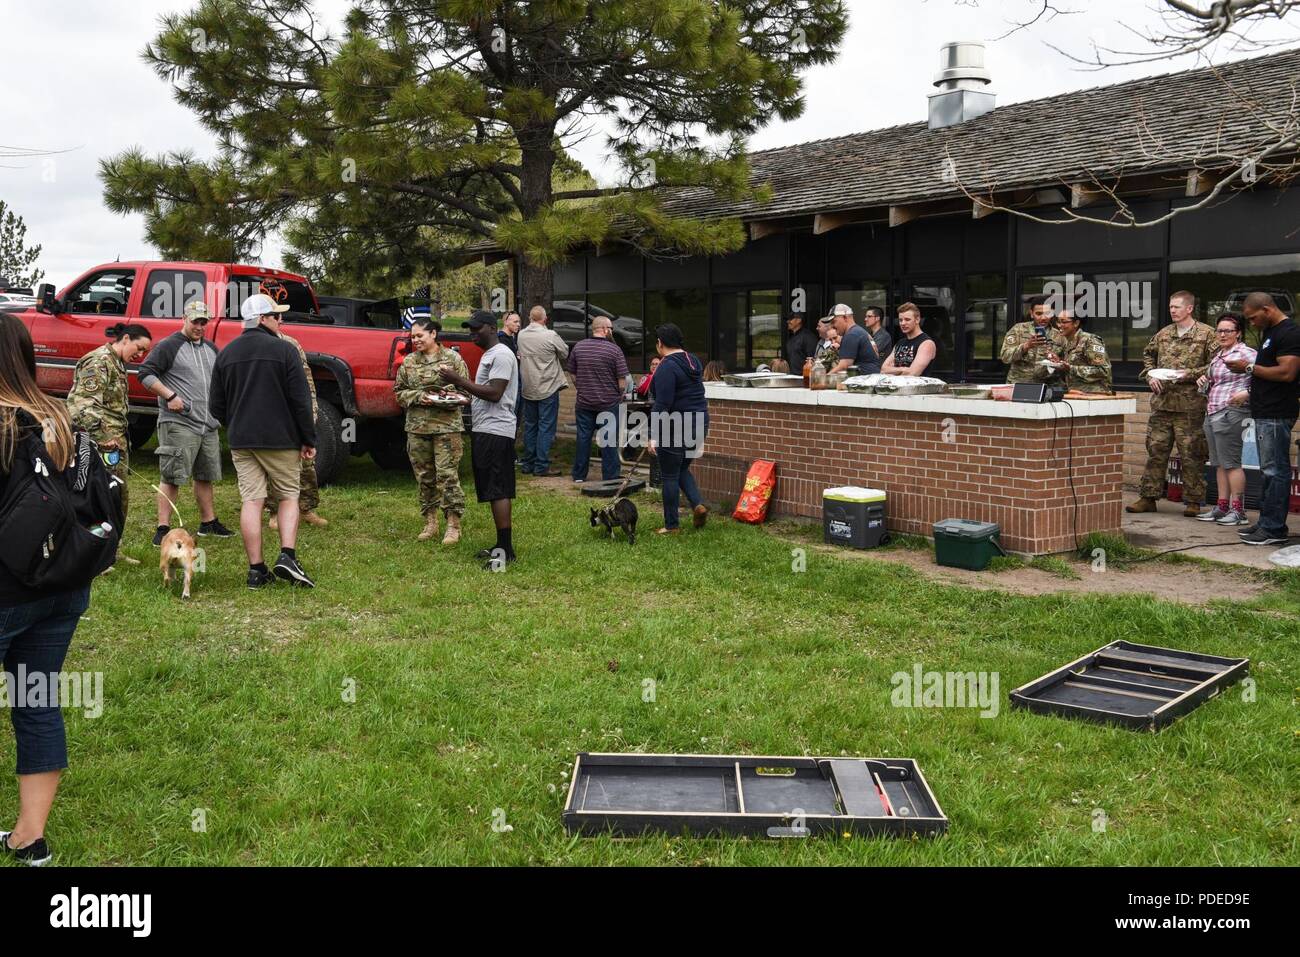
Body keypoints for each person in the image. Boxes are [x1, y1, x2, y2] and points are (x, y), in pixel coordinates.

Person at [0, 315, 96, 866]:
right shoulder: (60, 417)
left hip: (8, 590)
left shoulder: (7, 424)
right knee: (37, 702)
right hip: (62, 586)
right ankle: (29, 838)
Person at [210, 293, 318, 589]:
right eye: (275, 316)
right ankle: (287, 555)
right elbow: (301, 400)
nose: (280, 320)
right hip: (281, 438)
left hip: (242, 439)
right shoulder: (284, 351)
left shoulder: (226, 353)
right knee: (288, 496)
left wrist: (238, 422)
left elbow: (215, 407)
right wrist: (308, 437)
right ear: (261, 319)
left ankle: (256, 570)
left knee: (252, 501)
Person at [138, 302, 233, 545]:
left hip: (207, 425)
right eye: (195, 322)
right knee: (172, 476)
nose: (200, 327)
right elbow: (145, 374)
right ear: (184, 319)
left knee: (205, 475)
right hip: (179, 423)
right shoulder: (169, 346)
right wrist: (169, 396)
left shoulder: (211, 348)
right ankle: (162, 528)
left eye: (204, 322)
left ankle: (208, 523)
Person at [436, 310, 520, 569]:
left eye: (477, 328)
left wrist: (458, 379)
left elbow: (495, 393)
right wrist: (461, 391)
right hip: (486, 429)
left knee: (499, 489)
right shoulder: (490, 354)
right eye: (469, 328)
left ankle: (505, 552)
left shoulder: (503, 355)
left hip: (497, 430)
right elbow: (484, 392)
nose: (472, 332)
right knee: (491, 488)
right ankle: (501, 545)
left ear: (492, 328)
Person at [65, 323, 152, 557]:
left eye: (144, 351)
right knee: (101, 495)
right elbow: (84, 405)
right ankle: (95, 550)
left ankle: (111, 549)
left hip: (115, 439)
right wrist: (103, 437)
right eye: (139, 348)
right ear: (125, 338)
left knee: (117, 494)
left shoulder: (116, 362)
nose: (140, 355)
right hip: (101, 442)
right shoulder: (98, 361)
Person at [1128, 291, 1217, 517]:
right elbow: (1148, 355)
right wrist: (1150, 376)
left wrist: (1189, 373)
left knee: (1191, 454)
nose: (1172, 311)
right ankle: (1148, 497)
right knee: (1156, 451)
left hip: (1190, 407)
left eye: (1177, 307)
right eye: (1170, 307)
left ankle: (1194, 501)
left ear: (1189, 308)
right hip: (1162, 405)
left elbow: (1216, 365)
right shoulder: (1163, 334)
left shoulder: (1207, 334)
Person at [1224, 292, 1300, 545]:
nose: (1252, 323)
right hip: (1265, 411)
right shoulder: (1270, 333)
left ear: (1267, 309)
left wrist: (1247, 367)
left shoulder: (1289, 332)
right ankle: (1266, 522)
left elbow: (1287, 372)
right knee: (1268, 471)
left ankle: (1274, 528)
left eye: (1253, 317)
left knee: (1275, 471)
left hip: (1277, 413)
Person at [394, 317, 469, 544]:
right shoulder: (408, 362)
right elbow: (399, 393)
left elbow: (466, 392)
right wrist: (420, 396)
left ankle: (453, 524)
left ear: (433, 334)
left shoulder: (453, 359)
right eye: (413, 336)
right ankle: (430, 522)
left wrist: (448, 395)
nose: (415, 340)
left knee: (447, 476)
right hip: (417, 428)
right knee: (425, 476)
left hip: (446, 428)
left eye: (420, 335)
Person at [647, 323, 709, 535]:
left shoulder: (666, 366)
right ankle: (698, 504)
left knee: (670, 476)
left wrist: (653, 435)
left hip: (676, 425)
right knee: (681, 468)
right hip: (700, 422)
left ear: (660, 344)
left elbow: (662, 404)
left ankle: (671, 525)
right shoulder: (694, 361)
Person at [265, 324, 328, 530]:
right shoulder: (261, 345)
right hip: (273, 415)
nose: (279, 320)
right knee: (274, 466)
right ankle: (275, 512)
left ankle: (306, 508)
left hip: (297, 414)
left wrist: (312, 412)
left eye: (280, 316)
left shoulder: (291, 344)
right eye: (275, 316)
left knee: (307, 464)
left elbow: (307, 381)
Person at [1195, 313, 1255, 526]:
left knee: (1231, 463)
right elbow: (1216, 382)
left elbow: (1263, 379)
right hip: (1212, 411)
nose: (1222, 334)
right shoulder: (1218, 354)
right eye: (1219, 330)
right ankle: (1222, 507)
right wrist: (1204, 379)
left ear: (1238, 333)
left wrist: (1247, 392)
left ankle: (1238, 511)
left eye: (1227, 330)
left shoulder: (1247, 353)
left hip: (1232, 412)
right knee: (1219, 463)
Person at [566, 315, 627, 484]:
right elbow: (622, 378)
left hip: (584, 402)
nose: (612, 332)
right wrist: (620, 393)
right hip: (608, 403)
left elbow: (572, 372)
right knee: (607, 440)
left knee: (583, 438)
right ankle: (610, 476)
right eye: (611, 329)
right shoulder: (614, 350)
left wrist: (580, 387)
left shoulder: (579, 347)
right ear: (605, 329)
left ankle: (579, 475)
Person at [516, 305, 569, 476]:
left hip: (528, 387)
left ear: (530, 318)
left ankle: (528, 463)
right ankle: (541, 465)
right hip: (547, 387)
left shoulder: (521, 335)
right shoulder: (550, 335)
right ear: (545, 319)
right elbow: (565, 353)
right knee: (546, 428)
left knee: (530, 427)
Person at [1048, 310, 1113, 393]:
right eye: (1058, 322)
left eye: (1064, 322)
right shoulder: (1067, 342)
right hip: (1075, 394)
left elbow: (1103, 370)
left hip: (1095, 395)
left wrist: (1070, 368)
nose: (1059, 325)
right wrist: (1059, 362)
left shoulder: (1090, 341)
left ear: (1076, 323)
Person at [1000, 295, 1060, 384]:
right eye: (1039, 314)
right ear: (1031, 313)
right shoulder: (1018, 329)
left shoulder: (1059, 335)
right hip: (1019, 384)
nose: (1043, 318)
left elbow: (1066, 364)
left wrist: (1057, 360)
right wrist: (1026, 346)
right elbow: (1005, 357)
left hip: (1047, 386)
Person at [882, 303, 936, 376]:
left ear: (917, 320)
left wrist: (893, 372)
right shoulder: (900, 343)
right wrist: (903, 369)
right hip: (897, 386)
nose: (903, 323)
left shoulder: (926, 343)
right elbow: (883, 370)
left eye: (907, 320)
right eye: (900, 320)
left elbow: (912, 373)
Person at [829, 304, 881, 376]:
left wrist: (823, 378)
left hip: (865, 381)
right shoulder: (858, 331)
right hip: (871, 378)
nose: (832, 326)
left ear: (845, 318)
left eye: (834, 321)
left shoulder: (851, 334)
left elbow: (844, 366)